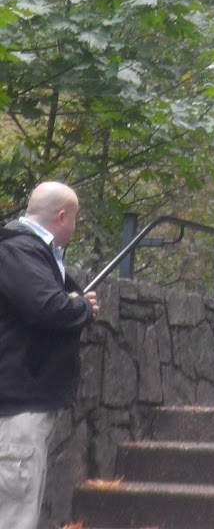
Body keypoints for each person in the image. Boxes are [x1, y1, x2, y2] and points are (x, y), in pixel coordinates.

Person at [0, 182, 99, 529]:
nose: (74, 227)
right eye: (74, 219)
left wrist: (73, 302)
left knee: (21, 501)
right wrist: (81, 308)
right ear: (62, 216)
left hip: (24, 400)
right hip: (18, 403)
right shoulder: (19, 250)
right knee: (13, 509)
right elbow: (47, 307)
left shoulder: (28, 252)